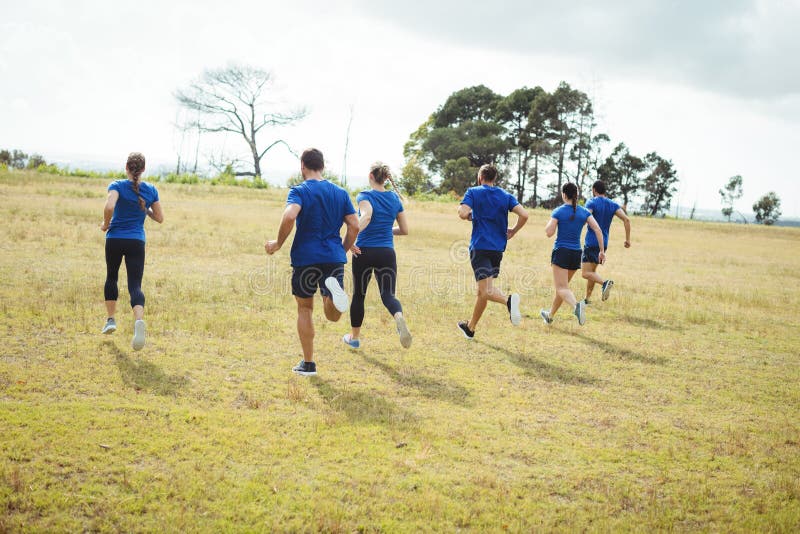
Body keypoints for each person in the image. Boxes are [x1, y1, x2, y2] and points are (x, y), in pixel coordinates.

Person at [265, 148, 359, 376]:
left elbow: (289, 216)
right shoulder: (340, 192)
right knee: (332, 315)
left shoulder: (300, 190)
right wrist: (342, 249)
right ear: (323, 166)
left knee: (305, 308)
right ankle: (335, 296)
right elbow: (354, 225)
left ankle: (308, 364)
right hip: (333, 258)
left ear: (303, 167)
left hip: (305, 258)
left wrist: (278, 243)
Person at [342, 163, 411, 350]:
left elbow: (367, 215)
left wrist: (351, 237)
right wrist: (386, 230)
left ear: (370, 176)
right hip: (386, 253)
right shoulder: (395, 198)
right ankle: (398, 316)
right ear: (386, 178)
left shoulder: (365, 195)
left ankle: (354, 338)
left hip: (363, 251)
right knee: (388, 294)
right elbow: (404, 229)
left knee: (359, 295)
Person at [456, 164, 529, 339]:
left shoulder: (474, 192)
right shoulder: (505, 195)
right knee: (483, 291)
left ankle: (509, 302)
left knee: (486, 290)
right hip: (497, 249)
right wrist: (513, 230)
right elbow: (524, 215)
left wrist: (470, 215)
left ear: (480, 177)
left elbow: (462, 212)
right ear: (494, 178)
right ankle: (471, 328)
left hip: (480, 247)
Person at [100, 152, 163, 350]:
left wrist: (105, 224)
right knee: (135, 285)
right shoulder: (151, 190)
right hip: (136, 241)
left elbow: (109, 205)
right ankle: (138, 321)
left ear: (126, 167)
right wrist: (145, 209)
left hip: (115, 239)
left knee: (112, 278)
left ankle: (111, 320)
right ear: (143, 169)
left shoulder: (117, 186)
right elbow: (160, 218)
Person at [540, 183, 604, 326]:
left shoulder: (559, 211)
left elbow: (549, 233)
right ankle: (550, 315)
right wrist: (602, 251)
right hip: (576, 254)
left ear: (564, 194)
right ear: (576, 194)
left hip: (562, 252)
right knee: (563, 288)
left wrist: (549, 224)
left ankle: (577, 306)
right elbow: (598, 230)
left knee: (562, 288)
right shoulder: (584, 212)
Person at [581, 180, 631, 304]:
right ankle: (587, 299)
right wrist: (627, 239)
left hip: (591, 242)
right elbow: (626, 220)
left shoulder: (591, 202)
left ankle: (604, 283)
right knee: (592, 272)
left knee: (585, 273)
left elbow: (586, 216)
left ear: (594, 190)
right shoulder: (612, 204)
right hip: (603, 243)